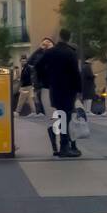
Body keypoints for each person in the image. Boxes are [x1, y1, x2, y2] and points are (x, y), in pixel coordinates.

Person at [37, 29, 81, 158]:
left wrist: (46, 79)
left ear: (59, 37)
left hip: (55, 89)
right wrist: (79, 90)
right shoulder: (70, 53)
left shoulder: (51, 52)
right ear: (69, 38)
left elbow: (38, 66)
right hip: (68, 90)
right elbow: (76, 74)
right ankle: (65, 147)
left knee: (61, 116)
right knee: (66, 117)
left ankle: (64, 146)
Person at [30, 38, 53, 115]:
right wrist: (39, 49)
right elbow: (30, 62)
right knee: (42, 103)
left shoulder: (56, 53)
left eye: (48, 43)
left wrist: (53, 49)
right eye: (44, 44)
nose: (46, 45)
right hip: (41, 83)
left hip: (54, 84)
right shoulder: (40, 55)